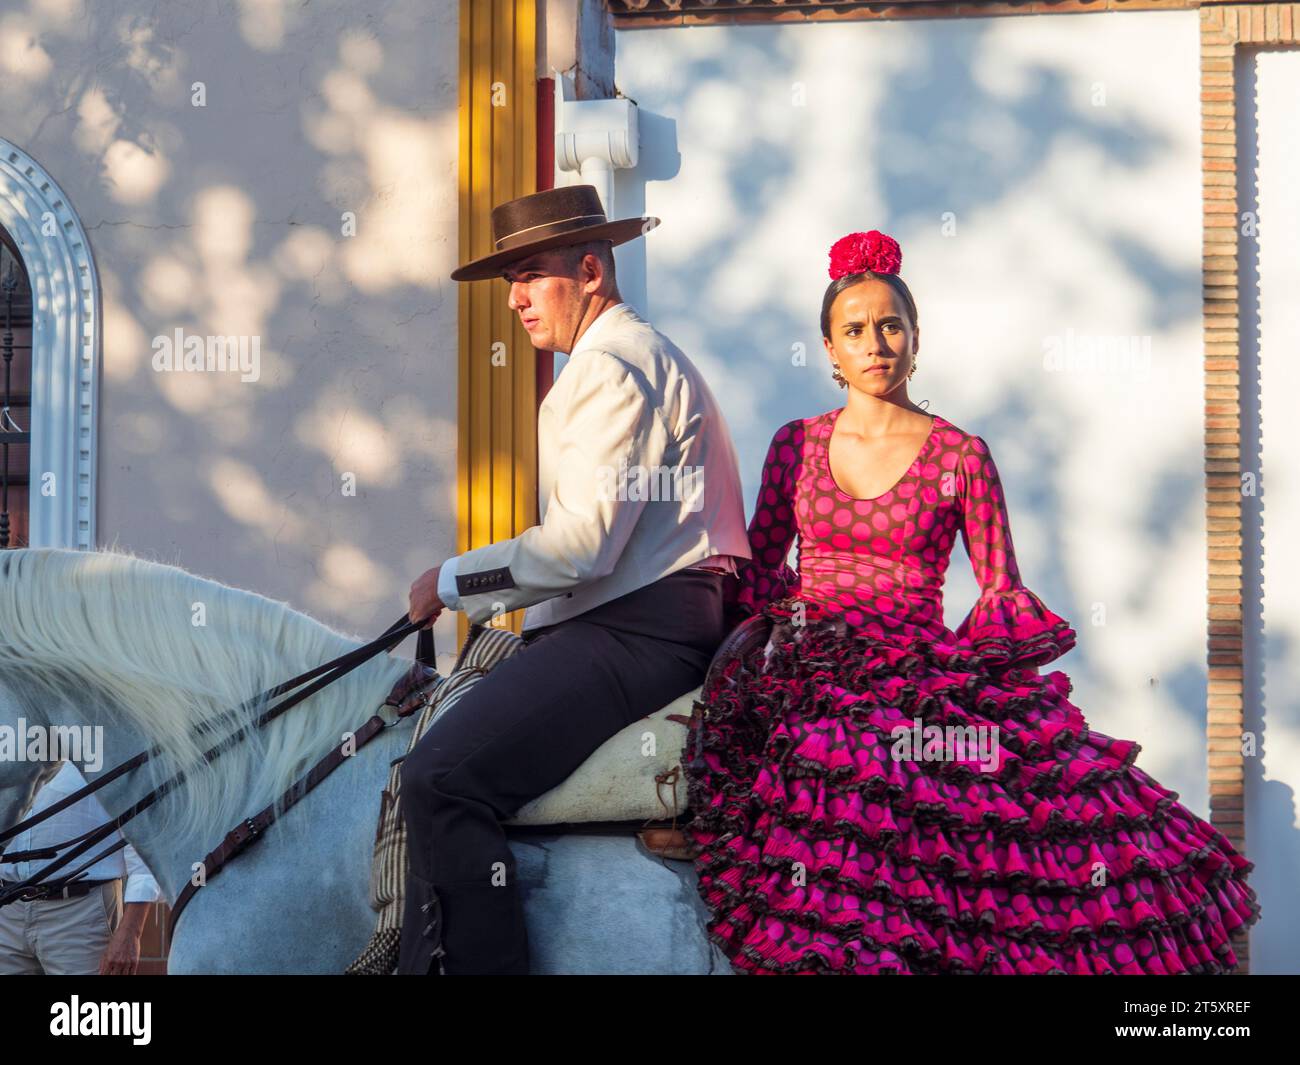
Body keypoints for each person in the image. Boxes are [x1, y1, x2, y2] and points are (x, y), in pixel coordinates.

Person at [684, 230, 1262, 975]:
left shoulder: (961, 455)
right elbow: (762, 570)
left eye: (891, 325)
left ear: (917, 340)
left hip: (919, 667)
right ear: (829, 350)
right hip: (813, 662)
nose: (875, 342)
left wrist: (994, 710)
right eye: (854, 330)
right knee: (840, 770)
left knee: (1019, 815)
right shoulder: (794, 444)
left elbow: (1000, 591)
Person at [397, 184, 752, 975]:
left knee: (439, 777)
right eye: (508, 283)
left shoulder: (608, 367)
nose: (517, 299)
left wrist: (450, 580)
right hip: (637, 620)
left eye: (531, 274)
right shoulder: (635, 355)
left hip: (634, 629)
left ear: (590, 270)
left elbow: (581, 546)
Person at [0, 761, 162, 975]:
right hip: (7, 914)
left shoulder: (105, 742)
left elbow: (144, 837)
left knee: (84, 1009)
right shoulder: (11, 740)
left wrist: (132, 930)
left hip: (82, 915)